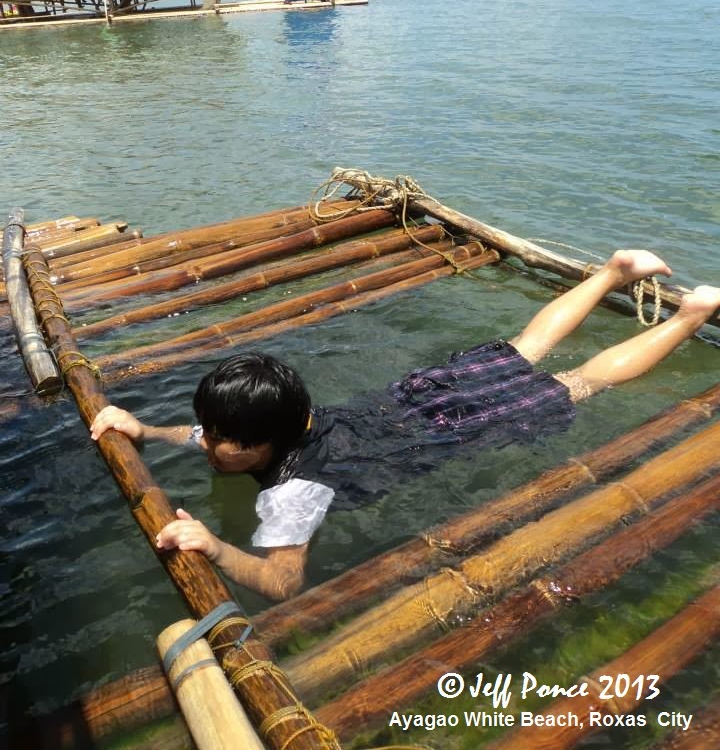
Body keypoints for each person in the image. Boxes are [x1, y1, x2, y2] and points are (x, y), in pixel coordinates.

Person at [90, 250, 720, 602]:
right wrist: (144, 430)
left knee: (580, 382)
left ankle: (691, 314)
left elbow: (283, 580)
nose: (206, 441)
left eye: (218, 437)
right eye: (207, 429)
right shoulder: (286, 415)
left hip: (447, 427)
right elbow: (207, 436)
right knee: (525, 348)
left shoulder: (293, 491)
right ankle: (615, 271)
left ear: (266, 442)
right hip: (414, 400)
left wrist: (215, 546)